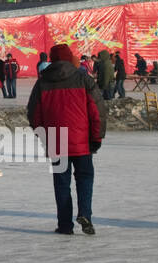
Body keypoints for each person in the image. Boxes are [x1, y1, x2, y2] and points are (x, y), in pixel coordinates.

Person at [26, 44, 104, 235]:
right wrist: (96, 137)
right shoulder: (83, 79)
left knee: (61, 183)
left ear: (51, 59)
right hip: (82, 141)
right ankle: (85, 213)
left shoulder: (42, 82)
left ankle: (65, 225)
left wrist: (45, 137)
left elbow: (34, 114)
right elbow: (98, 111)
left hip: (56, 142)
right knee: (85, 178)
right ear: (70, 58)